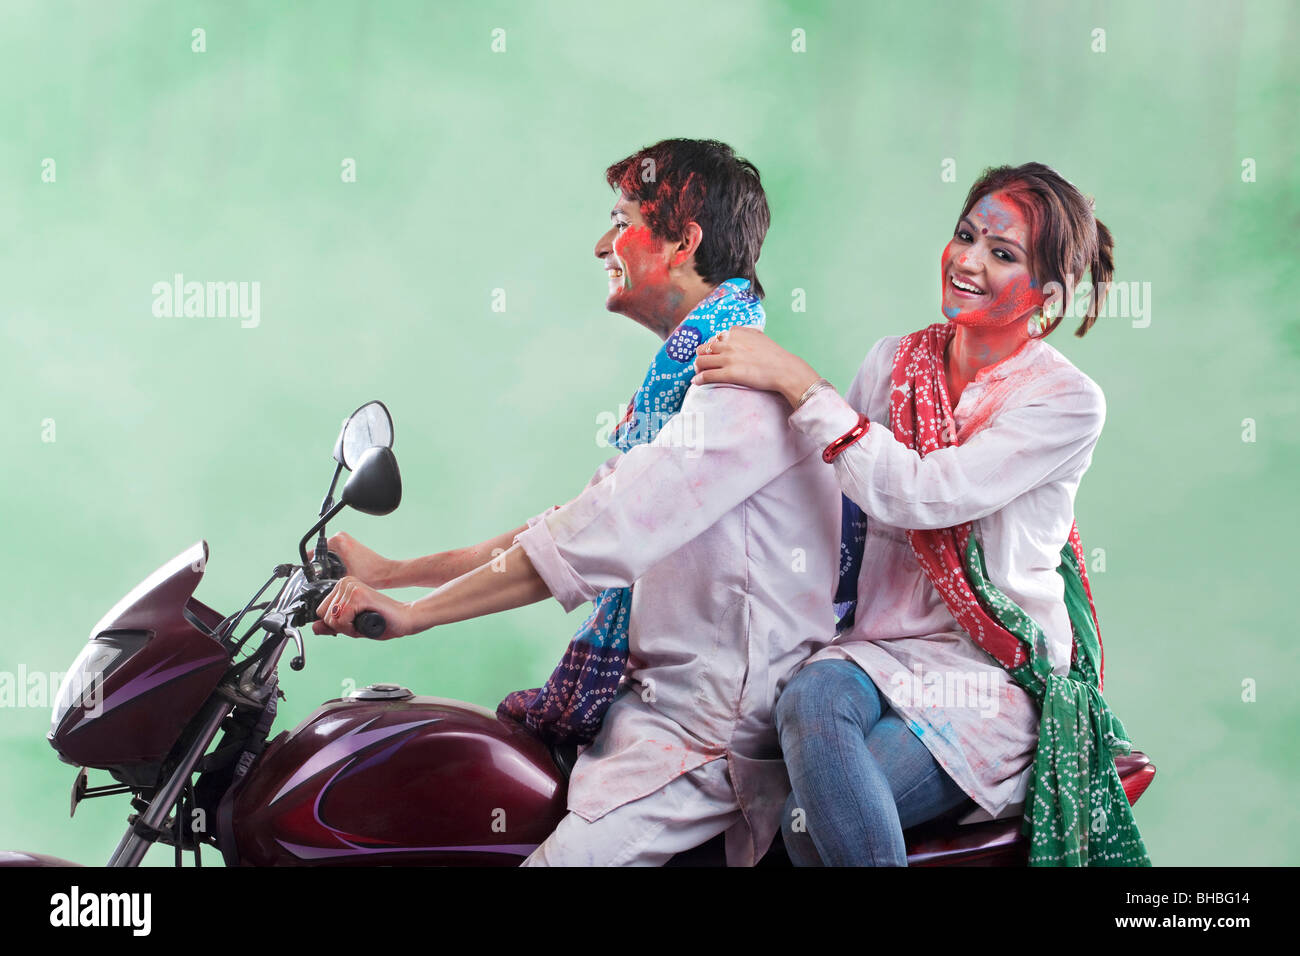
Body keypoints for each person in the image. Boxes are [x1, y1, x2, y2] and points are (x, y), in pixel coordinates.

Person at [311, 139, 843, 866]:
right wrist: (398, 570)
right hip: (656, 715)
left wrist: (413, 617)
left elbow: (599, 540)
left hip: (705, 738)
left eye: (621, 220)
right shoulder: (683, 384)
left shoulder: (737, 391)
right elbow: (570, 524)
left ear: (683, 241)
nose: (602, 243)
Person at [691, 161, 1151, 866]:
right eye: (965, 235)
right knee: (808, 695)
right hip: (875, 651)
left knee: (805, 830)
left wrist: (794, 379)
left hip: (990, 676)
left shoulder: (1065, 401)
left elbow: (923, 493)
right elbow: (838, 505)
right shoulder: (892, 362)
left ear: (1047, 298)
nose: (968, 261)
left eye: (1002, 254)